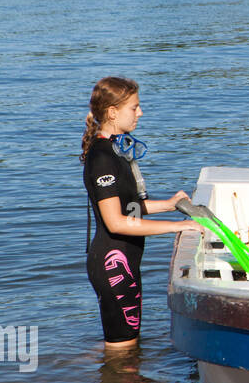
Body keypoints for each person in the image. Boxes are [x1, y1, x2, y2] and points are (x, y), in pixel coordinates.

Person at [81, 77, 205, 349]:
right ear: (112, 112)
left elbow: (131, 208)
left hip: (125, 261)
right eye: (134, 107)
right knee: (122, 350)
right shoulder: (102, 157)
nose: (140, 113)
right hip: (113, 262)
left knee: (125, 345)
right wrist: (177, 227)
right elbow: (116, 223)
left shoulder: (117, 149)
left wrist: (171, 204)